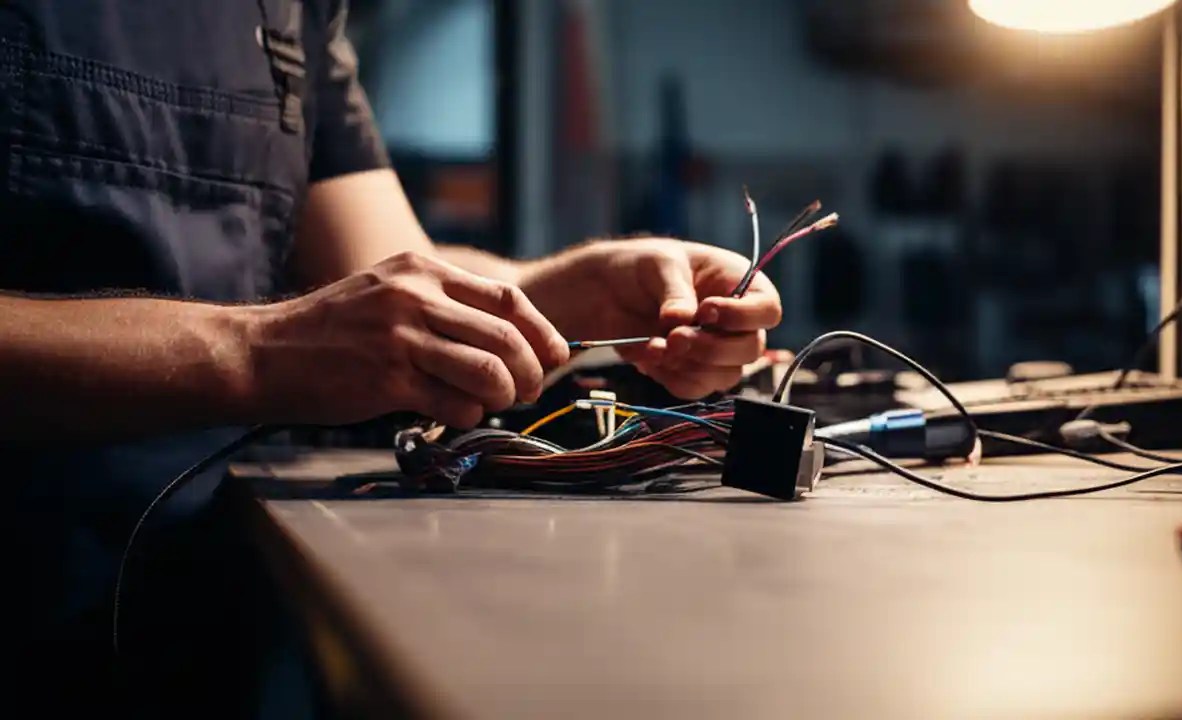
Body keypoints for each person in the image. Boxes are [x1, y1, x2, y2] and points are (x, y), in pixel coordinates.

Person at [0, 0, 781, 715]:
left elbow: (386, 269)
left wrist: (580, 292)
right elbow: (312, 329)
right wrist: (261, 352)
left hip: (204, 623)